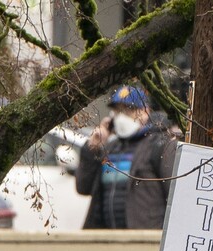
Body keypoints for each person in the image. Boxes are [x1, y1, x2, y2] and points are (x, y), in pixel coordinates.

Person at [75, 86, 176, 230]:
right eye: (117, 111)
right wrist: (93, 147)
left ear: (144, 111)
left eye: (128, 110)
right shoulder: (110, 148)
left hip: (144, 241)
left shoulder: (160, 146)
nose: (121, 116)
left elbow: (174, 196)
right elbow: (83, 187)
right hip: (108, 240)